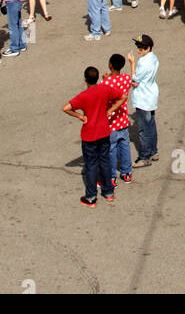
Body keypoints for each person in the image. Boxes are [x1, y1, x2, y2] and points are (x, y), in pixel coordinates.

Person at [62, 66, 117, 207]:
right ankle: (108, 192)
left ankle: (91, 197)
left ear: (85, 80)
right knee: (105, 161)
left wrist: (80, 116)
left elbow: (66, 108)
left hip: (90, 134)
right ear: (97, 78)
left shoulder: (84, 96)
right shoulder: (104, 89)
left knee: (91, 165)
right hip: (104, 131)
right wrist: (110, 110)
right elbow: (122, 96)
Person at [102, 54, 134, 186]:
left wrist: (105, 79)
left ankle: (112, 176)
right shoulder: (126, 79)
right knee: (125, 146)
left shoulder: (106, 83)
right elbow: (132, 77)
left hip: (111, 123)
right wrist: (132, 63)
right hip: (123, 119)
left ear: (110, 65)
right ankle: (127, 173)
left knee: (111, 150)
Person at [129, 34, 159, 167]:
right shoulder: (153, 58)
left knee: (143, 130)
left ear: (148, 48)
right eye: (138, 47)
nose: (138, 50)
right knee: (151, 125)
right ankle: (153, 151)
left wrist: (132, 63)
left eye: (141, 48)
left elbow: (134, 80)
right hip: (151, 95)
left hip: (143, 98)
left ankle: (145, 156)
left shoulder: (143, 62)